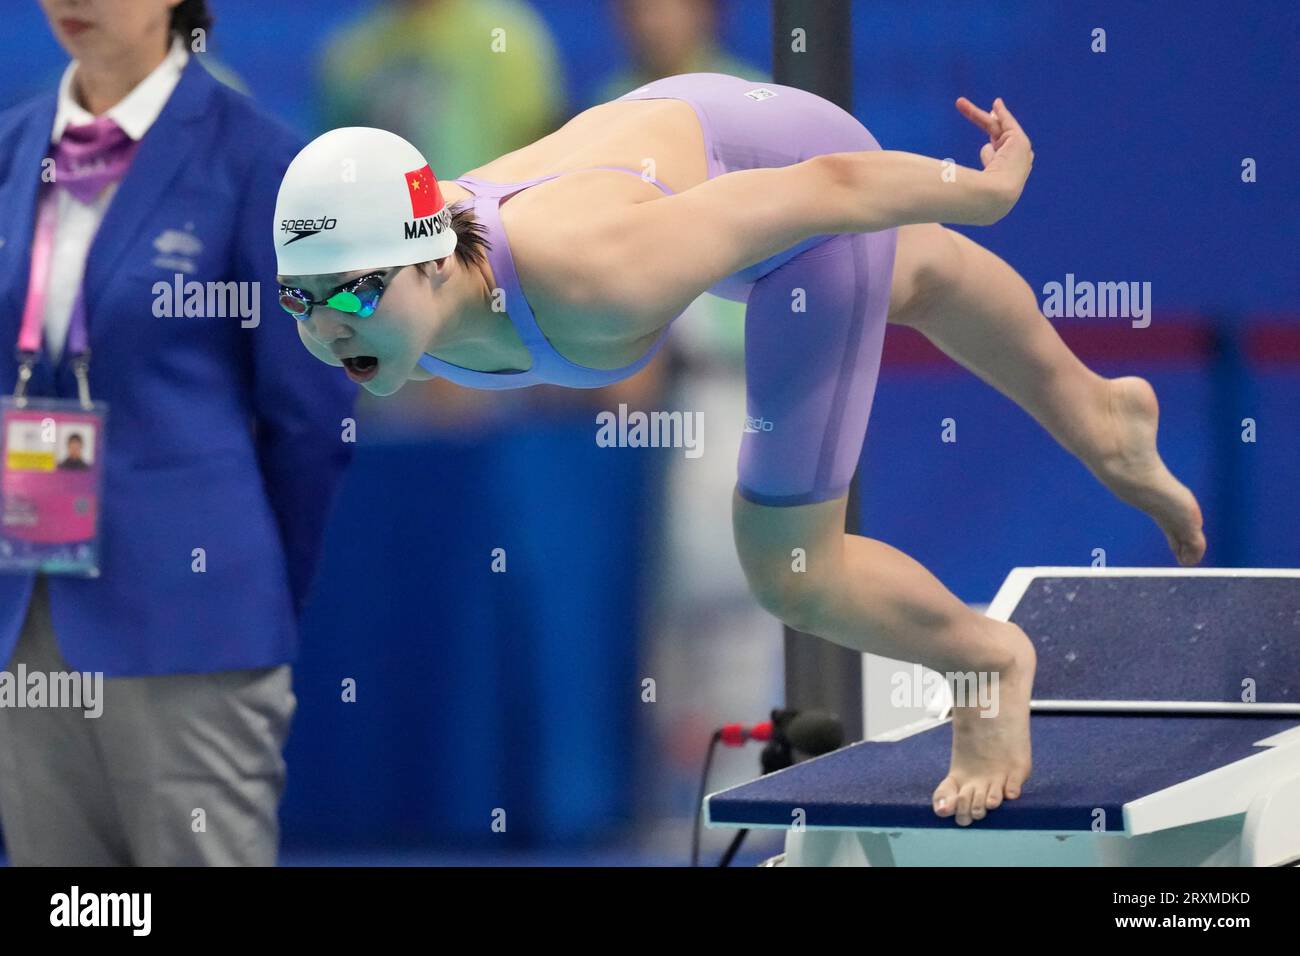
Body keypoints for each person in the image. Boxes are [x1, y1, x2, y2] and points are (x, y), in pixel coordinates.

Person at [273, 74, 1206, 828]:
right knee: (905, 276)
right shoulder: (400, 294)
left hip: (789, 156)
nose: (323, 329)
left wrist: (985, 192)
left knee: (792, 565)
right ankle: (1104, 414)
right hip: (669, 147)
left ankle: (985, 660)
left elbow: (827, 187)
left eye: (349, 295)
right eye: (298, 300)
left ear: (434, 258)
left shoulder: (599, 272)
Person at [0, 0, 355, 864]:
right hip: (28, 608)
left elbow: (312, 420)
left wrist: (252, 587)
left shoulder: (265, 161)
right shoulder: (11, 148)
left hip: (193, 613)